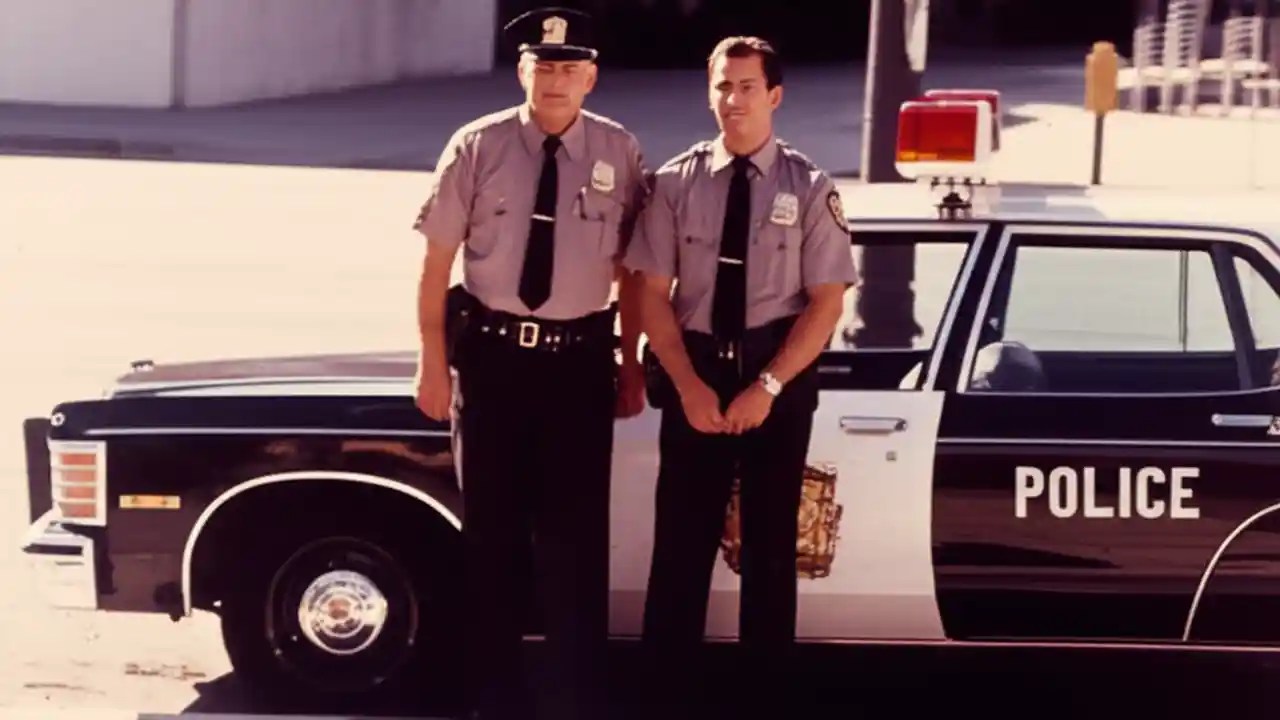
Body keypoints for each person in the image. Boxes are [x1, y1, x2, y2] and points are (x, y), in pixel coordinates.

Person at [409, 6, 649, 718]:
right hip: (492, 367)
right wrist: (432, 362)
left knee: (575, 545)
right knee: (492, 540)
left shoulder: (620, 152)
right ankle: (493, 699)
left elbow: (635, 274)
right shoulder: (476, 147)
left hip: (578, 369)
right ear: (522, 71)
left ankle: (575, 698)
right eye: (543, 67)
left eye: (570, 68)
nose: (555, 80)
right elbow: (435, 263)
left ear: (592, 77)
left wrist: (630, 364)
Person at [623, 35, 858, 712]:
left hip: (773, 381)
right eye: (722, 86)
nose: (732, 100)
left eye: (746, 87)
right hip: (694, 374)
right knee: (679, 554)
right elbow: (649, 295)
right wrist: (690, 387)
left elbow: (827, 303)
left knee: (769, 558)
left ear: (774, 96)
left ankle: (764, 699)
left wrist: (768, 388)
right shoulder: (675, 183)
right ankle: (664, 698)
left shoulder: (809, 186)